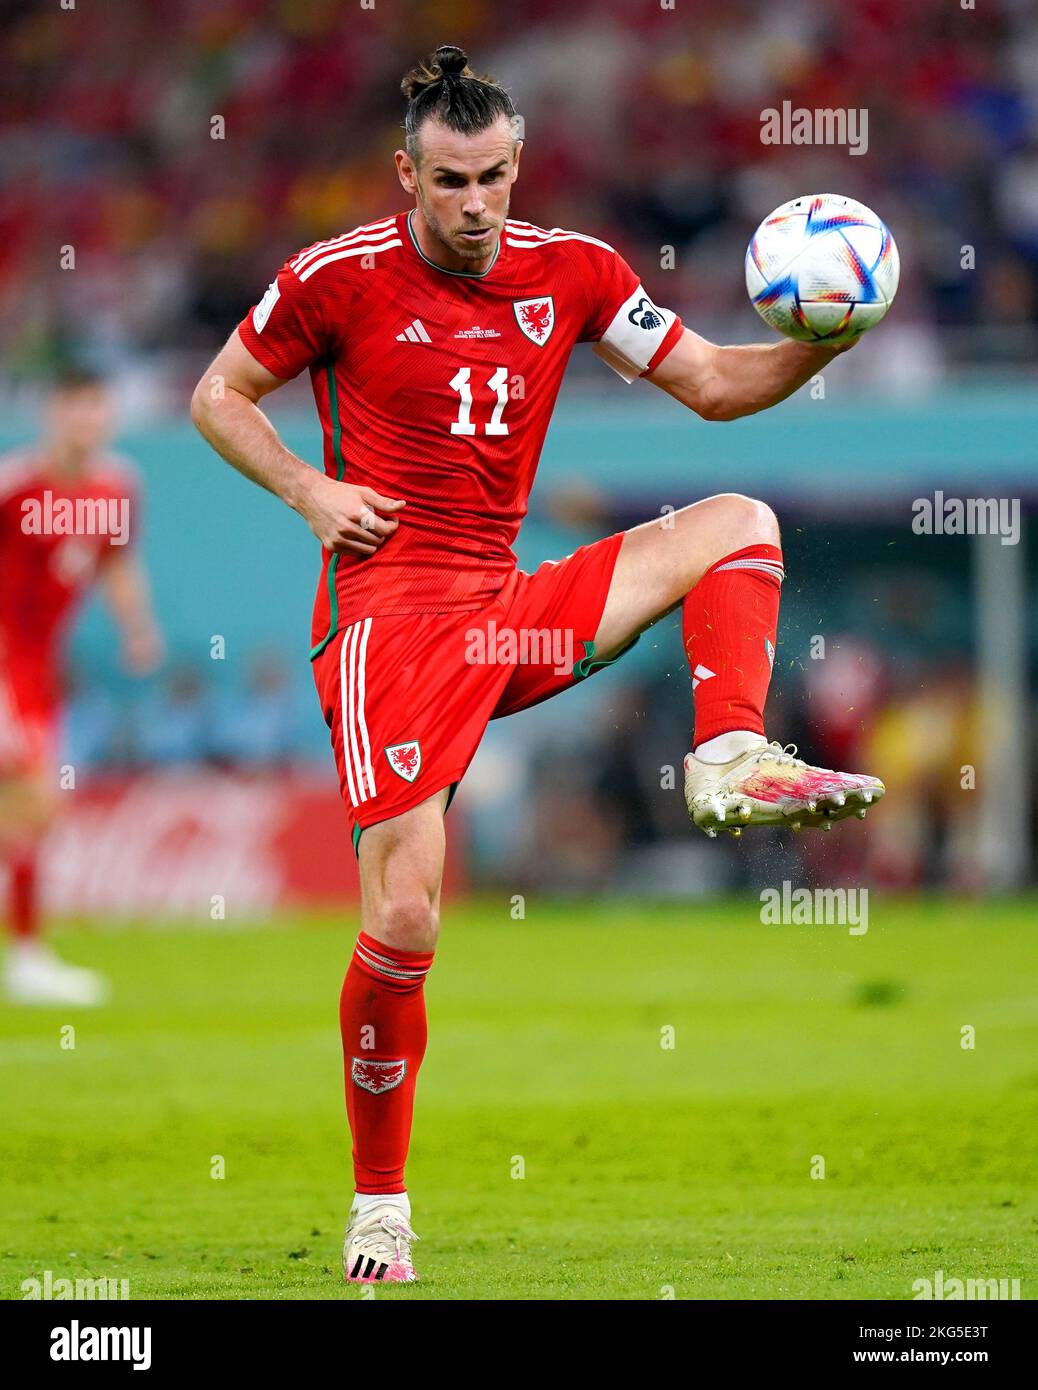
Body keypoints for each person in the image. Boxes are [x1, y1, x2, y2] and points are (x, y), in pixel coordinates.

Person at [191, 45, 884, 1283]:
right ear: (406, 173)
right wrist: (309, 490)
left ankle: (726, 750)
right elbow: (220, 394)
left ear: (521, 168)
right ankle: (381, 1208)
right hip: (385, 620)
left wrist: (825, 342)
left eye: (494, 178)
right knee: (406, 913)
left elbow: (717, 385)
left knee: (738, 521)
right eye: (450, 182)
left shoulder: (574, 272)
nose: (474, 205)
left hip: (506, 605)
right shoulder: (335, 276)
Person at [1, 369, 163, 1005]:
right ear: (51, 413)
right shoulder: (15, 487)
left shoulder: (116, 487)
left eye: (97, 409)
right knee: (36, 798)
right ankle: (27, 955)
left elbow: (117, 560)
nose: (86, 422)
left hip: (42, 667)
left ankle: (27, 953)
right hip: (5, 660)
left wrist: (137, 627)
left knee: (29, 807)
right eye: (75, 409)